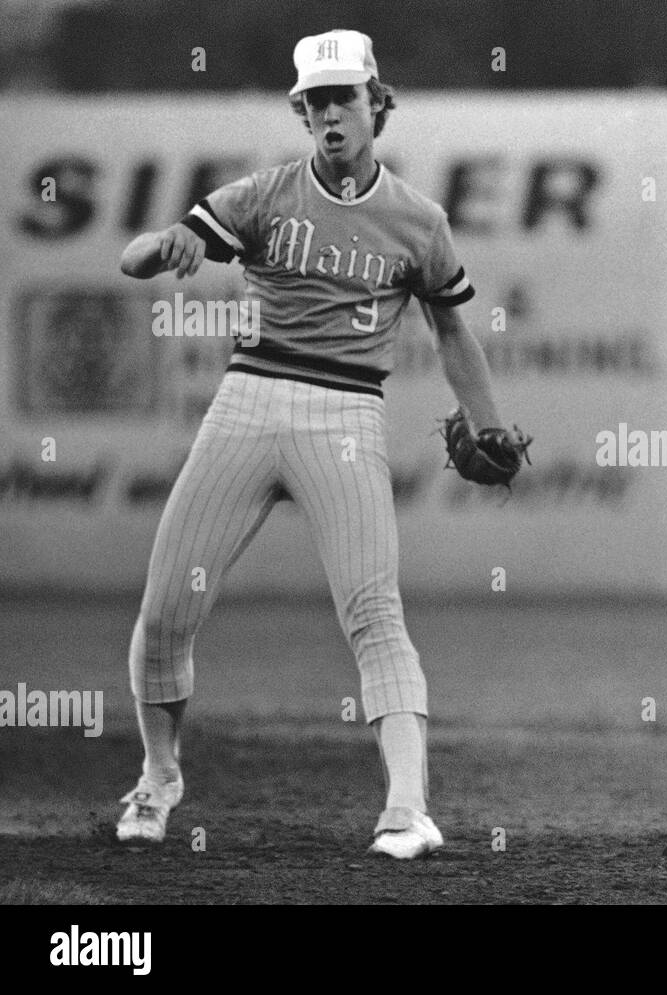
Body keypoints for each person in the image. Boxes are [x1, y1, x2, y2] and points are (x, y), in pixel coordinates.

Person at [115, 29, 523, 858]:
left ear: (379, 101)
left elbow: (451, 330)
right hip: (246, 402)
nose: (332, 113)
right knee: (166, 611)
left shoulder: (418, 220)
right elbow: (132, 261)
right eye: (316, 101)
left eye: (346, 97)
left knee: (375, 614)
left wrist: (485, 418)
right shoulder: (264, 195)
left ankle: (407, 809)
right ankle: (158, 778)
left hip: (344, 415)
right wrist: (164, 246)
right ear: (302, 112)